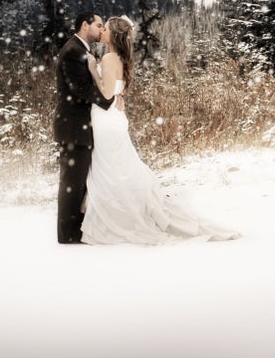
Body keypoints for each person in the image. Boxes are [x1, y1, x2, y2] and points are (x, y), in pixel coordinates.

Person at [80, 15, 239, 245]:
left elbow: (105, 94)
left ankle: (118, 218)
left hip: (106, 120)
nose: (101, 31)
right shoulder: (121, 58)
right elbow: (117, 90)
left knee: (110, 170)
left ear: (113, 35)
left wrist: (92, 69)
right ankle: (128, 211)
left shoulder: (107, 58)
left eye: (105, 29)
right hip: (116, 118)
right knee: (119, 169)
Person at [54, 12, 116, 244]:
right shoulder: (73, 51)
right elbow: (80, 88)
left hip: (79, 126)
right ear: (84, 25)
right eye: (98, 25)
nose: (101, 30)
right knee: (72, 181)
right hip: (73, 127)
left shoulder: (81, 50)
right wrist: (108, 100)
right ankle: (68, 235)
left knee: (79, 181)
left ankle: (76, 230)